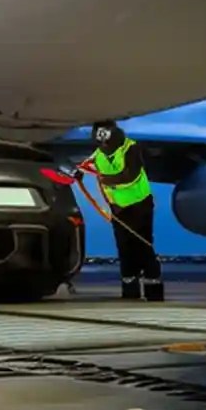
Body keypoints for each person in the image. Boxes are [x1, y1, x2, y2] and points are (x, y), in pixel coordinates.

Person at [82, 120, 163, 301]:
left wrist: (107, 180)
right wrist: (77, 172)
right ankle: (129, 290)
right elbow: (89, 164)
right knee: (124, 247)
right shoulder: (100, 154)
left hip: (139, 205)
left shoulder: (131, 149)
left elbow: (130, 176)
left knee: (142, 244)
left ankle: (153, 289)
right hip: (118, 209)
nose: (103, 146)